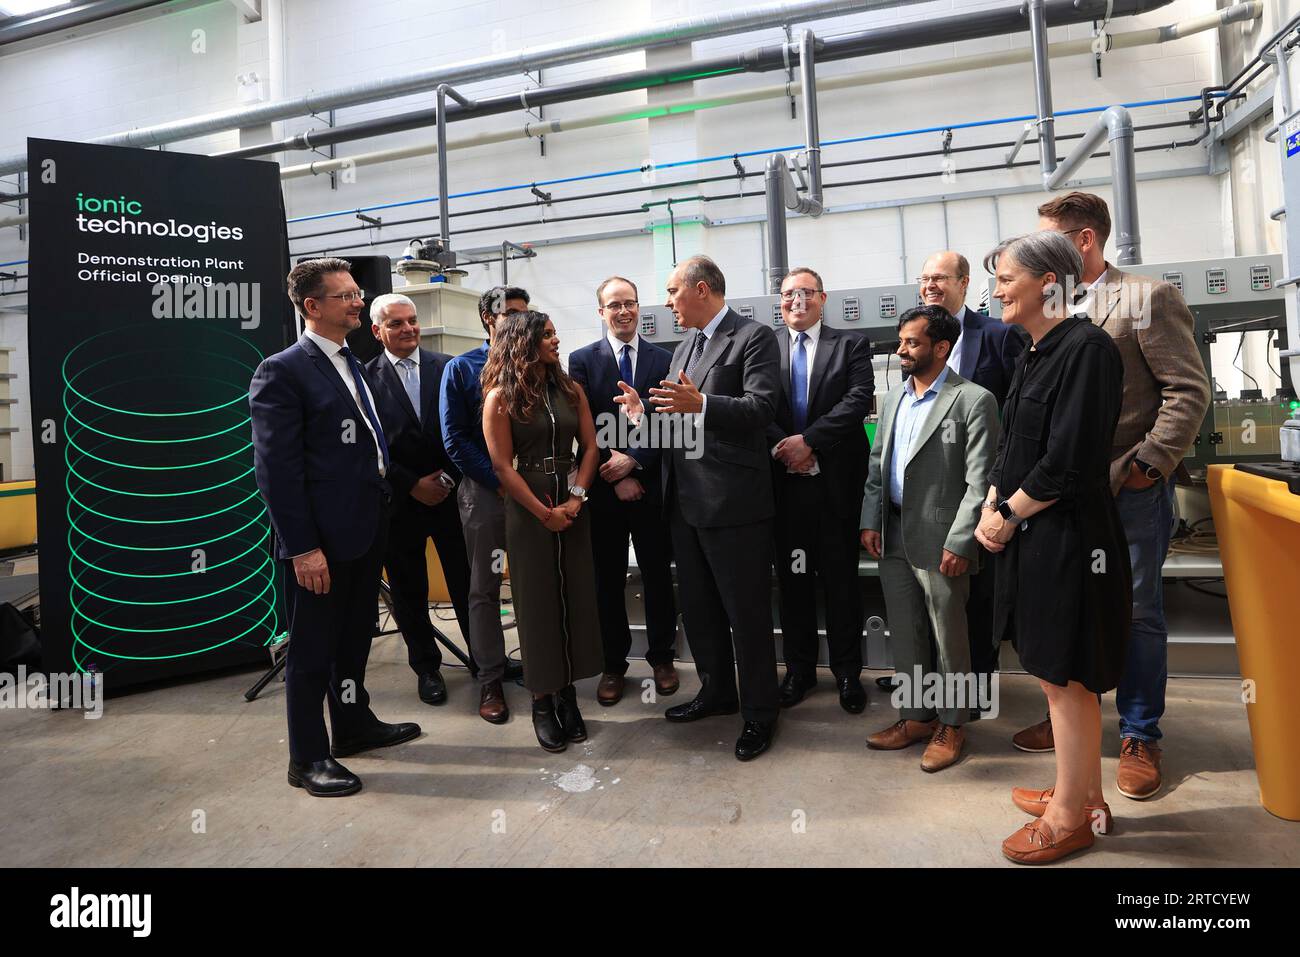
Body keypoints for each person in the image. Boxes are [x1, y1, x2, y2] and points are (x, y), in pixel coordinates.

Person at [1028, 193, 1210, 800]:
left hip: (1123, 490)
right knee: (1071, 605)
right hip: (1062, 496)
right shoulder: (1051, 307)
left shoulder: (1145, 298)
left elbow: (1187, 391)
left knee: (1135, 611)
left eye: (1048, 241)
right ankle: (1073, 717)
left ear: (1083, 241)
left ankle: (1139, 733)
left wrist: (1149, 468)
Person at [977, 231, 1130, 864]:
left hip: (1070, 537)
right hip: (1031, 531)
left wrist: (1007, 515)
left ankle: (1069, 817)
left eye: (1006, 277)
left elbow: (1069, 462)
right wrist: (992, 499)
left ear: (1049, 281)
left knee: (1067, 678)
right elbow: (1015, 446)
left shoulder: (1088, 349)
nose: (996, 289)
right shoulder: (1034, 351)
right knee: (1055, 676)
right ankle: (1083, 793)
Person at [249, 258, 420, 798]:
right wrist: (303, 548)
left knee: (354, 639)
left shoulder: (353, 360)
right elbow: (277, 471)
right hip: (319, 542)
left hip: (366, 528)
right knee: (311, 651)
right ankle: (307, 757)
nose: (357, 301)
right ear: (312, 306)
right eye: (345, 295)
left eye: (357, 292)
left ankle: (351, 725)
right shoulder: (283, 370)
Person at [615, 255, 782, 761]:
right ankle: (716, 691)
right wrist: (644, 418)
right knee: (702, 612)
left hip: (734, 503)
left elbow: (762, 409)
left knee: (745, 613)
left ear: (702, 289)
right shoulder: (683, 346)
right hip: (684, 503)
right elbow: (676, 426)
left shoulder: (754, 337)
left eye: (672, 292)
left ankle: (759, 713)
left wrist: (703, 405)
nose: (667, 303)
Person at [859, 305, 999, 771]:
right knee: (908, 634)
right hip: (894, 533)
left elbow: (980, 484)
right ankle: (916, 716)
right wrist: (871, 520)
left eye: (912, 342)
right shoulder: (896, 396)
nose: (901, 349)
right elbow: (878, 465)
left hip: (942, 539)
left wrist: (961, 541)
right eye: (900, 341)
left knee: (948, 637)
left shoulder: (973, 400)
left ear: (941, 348)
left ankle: (953, 724)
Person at [482, 311, 603, 753]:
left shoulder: (571, 390)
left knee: (573, 597)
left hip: (571, 498)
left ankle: (568, 694)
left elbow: (590, 447)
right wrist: (542, 512)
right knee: (535, 604)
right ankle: (541, 701)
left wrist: (576, 497)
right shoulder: (500, 396)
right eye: (547, 334)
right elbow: (500, 466)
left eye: (555, 332)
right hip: (528, 501)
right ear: (524, 342)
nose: (556, 340)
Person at [919, 250, 1025, 709]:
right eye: (924, 279)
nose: (931, 286)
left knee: (979, 595)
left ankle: (977, 686)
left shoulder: (999, 336)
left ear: (965, 283)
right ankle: (933, 677)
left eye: (940, 278)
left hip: (984, 487)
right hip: (927, 492)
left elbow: (1019, 410)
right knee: (931, 591)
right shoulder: (915, 342)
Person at [767, 267, 875, 713]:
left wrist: (810, 442)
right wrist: (786, 447)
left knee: (840, 582)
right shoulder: (763, 346)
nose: (797, 301)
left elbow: (858, 399)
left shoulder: (849, 345)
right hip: (783, 489)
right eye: (789, 294)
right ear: (780, 301)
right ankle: (799, 671)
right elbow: (754, 403)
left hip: (834, 486)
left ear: (823, 298)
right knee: (793, 584)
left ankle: (848, 673)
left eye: (806, 293)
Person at [567, 276, 679, 705]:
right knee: (607, 580)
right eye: (614, 305)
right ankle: (613, 665)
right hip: (603, 489)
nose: (624, 311)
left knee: (656, 576)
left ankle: (663, 659)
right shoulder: (581, 361)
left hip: (651, 488)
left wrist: (635, 462)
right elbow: (585, 425)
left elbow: (669, 421)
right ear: (601, 312)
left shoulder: (664, 359)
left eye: (630, 303)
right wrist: (617, 471)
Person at [364, 293, 472, 707]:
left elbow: (466, 430)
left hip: (451, 497)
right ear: (377, 331)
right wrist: (412, 484)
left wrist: (445, 478)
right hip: (399, 504)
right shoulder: (364, 378)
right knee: (409, 591)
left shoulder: (449, 368)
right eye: (396, 323)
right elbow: (370, 447)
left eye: (412, 320)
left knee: (467, 582)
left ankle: (485, 661)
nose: (408, 328)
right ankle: (426, 668)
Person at [440, 285, 530, 724]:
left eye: (523, 314)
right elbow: (454, 437)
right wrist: (500, 481)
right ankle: (490, 677)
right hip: (488, 496)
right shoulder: (462, 368)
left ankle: (544, 665)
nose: (517, 322)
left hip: (535, 495)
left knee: (536, 583)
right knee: (486, 587)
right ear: (487, 319)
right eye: (509, 314)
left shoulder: (539, 365)